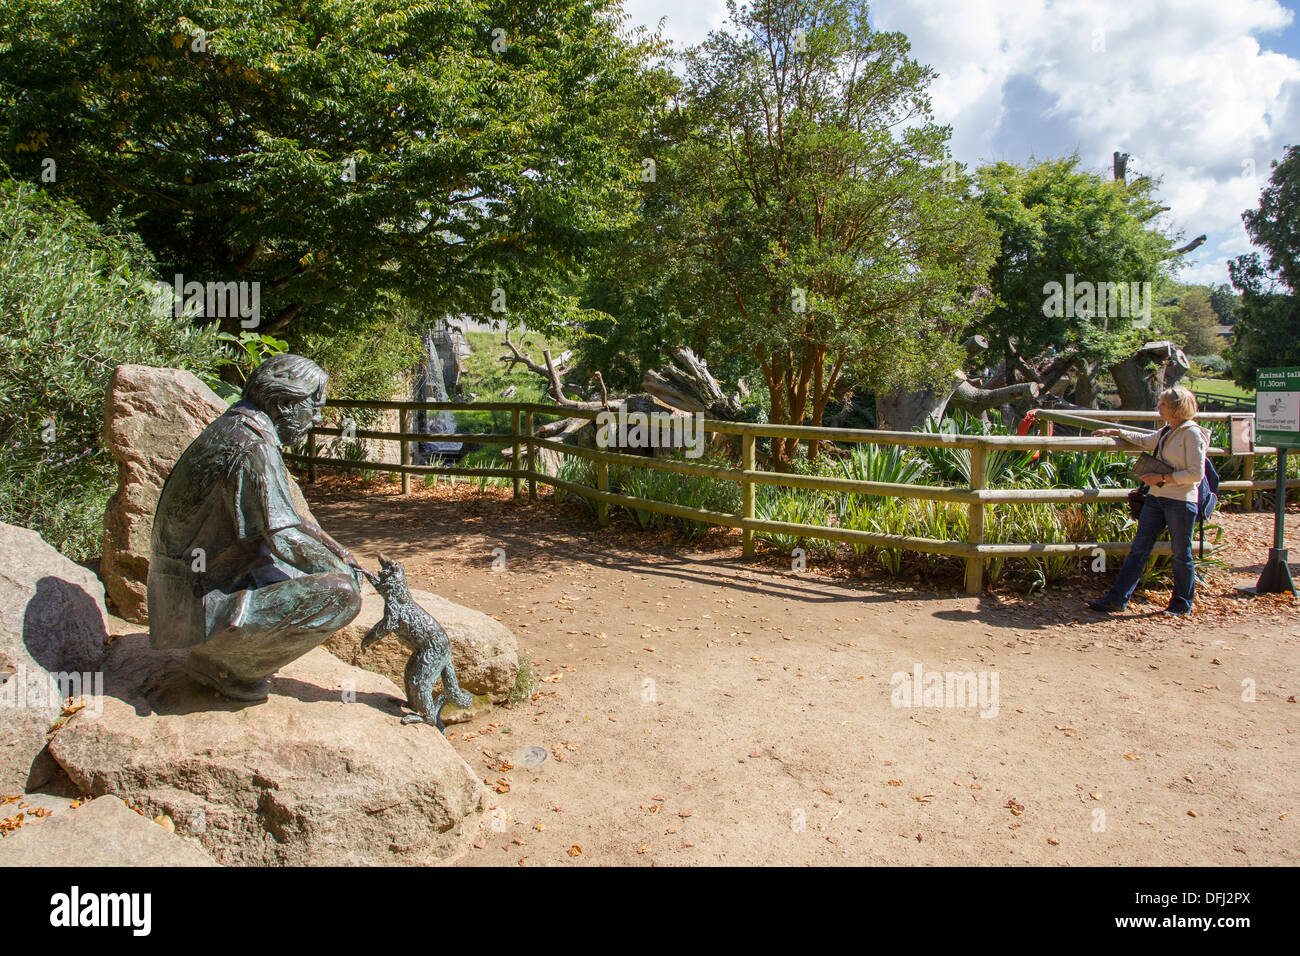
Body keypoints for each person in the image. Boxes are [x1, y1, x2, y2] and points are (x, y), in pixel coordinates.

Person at [147, 354, 365, 700]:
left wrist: (340, 554)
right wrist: (342, 573)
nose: (318, 419)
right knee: (342, 595)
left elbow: (290, 520)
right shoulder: (253, 448)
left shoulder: (234, 428)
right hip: (203, 606)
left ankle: (224, 654)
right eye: (315, 407)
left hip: (185, 598)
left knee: (321, 573)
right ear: (283, 403)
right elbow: (285, 538)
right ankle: (228, 665)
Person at [1087, 386, 1209, 617]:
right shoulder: (1167, 431)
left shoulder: (1191, 434)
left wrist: (1162, 477)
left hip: (1180, 501)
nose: (1159, 407)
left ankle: (1181, 603)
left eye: (1163, 404)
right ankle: (1117, 598)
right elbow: (1145, 440)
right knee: (1139, 549)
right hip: (1157, 497)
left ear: (1175, 407)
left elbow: (1196, 474)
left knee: (1181, 553)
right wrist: (1117, 432)